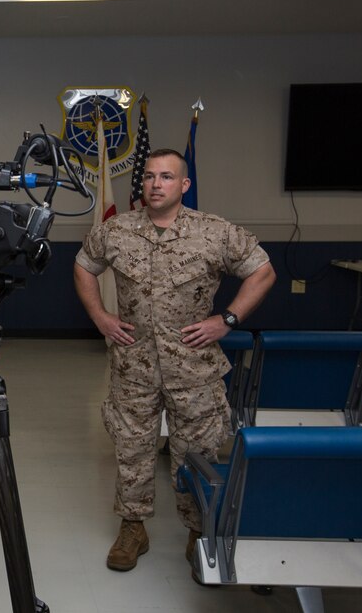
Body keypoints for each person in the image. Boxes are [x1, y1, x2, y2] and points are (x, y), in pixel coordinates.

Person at [73, 148, 275, 574]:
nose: (155, 184)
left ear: (184, 185)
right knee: (132, 449)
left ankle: (199, 530)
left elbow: (263, 272)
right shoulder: (116, 230)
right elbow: (83, 266)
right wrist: (100, 316)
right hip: (134, 365)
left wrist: (228, 319)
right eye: (148, 176)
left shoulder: (214, 232)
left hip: (194, 368)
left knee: (197, 451)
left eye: (166, 177)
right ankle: (133, 528)